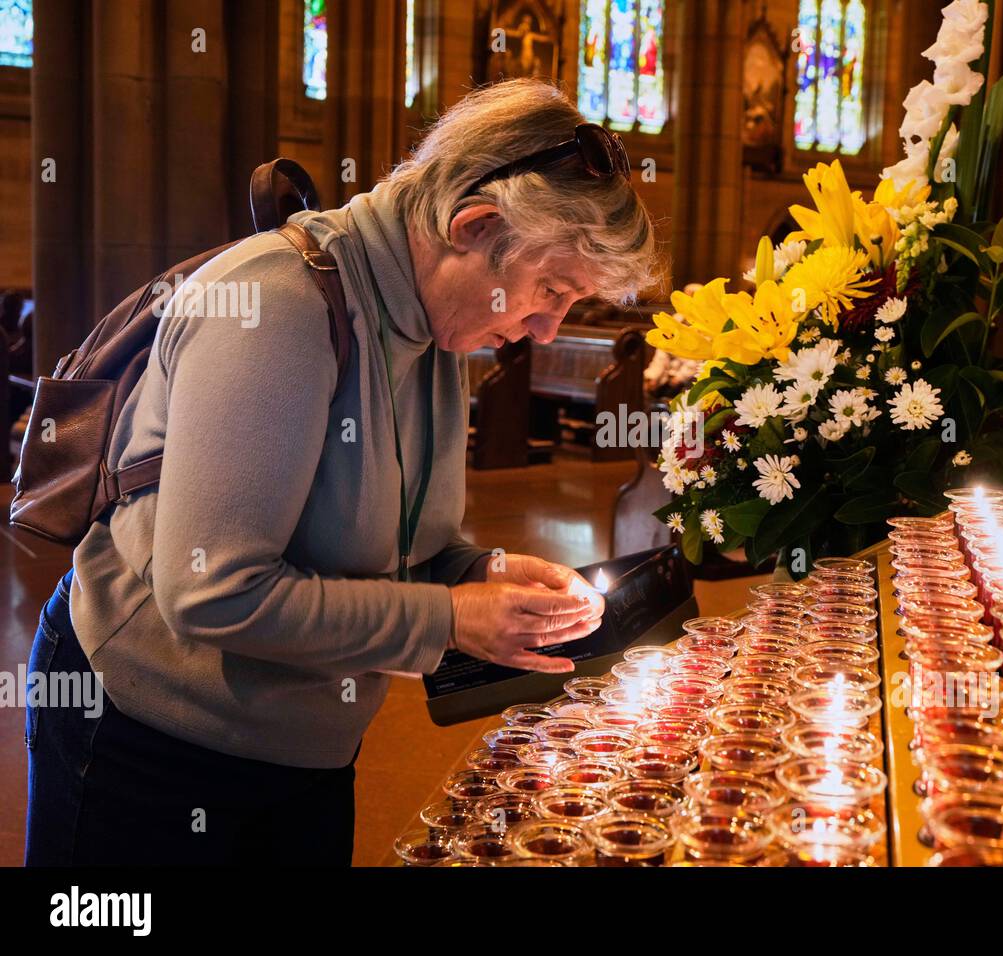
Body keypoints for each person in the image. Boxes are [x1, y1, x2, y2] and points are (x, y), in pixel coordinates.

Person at [24, 79, 658, 865]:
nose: (544, 329)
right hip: (152, 741)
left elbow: (389, 545)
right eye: (551, 291)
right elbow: (213, 592)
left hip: (307, 744)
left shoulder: (434, 329)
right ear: (475, 224)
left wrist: (482, 572)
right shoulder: (275, 305)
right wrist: (452, 620)